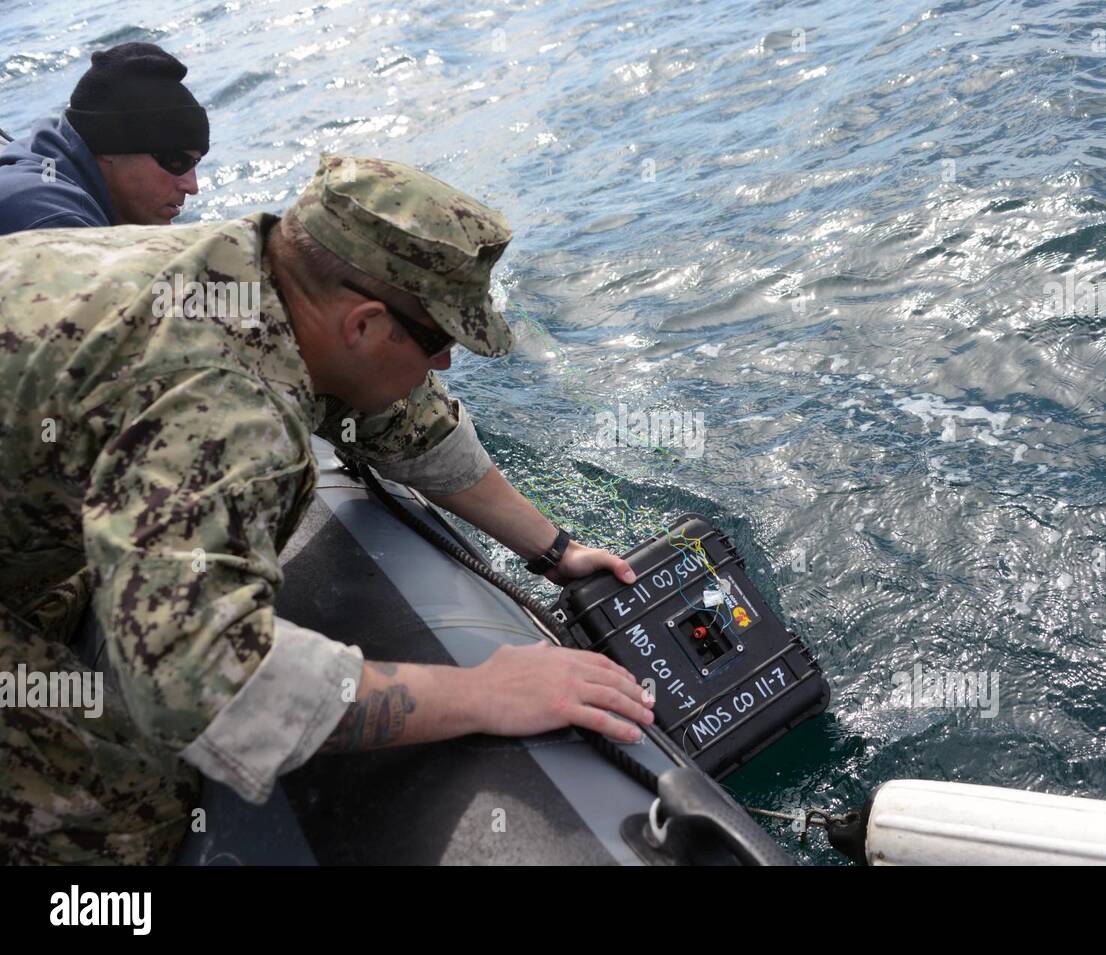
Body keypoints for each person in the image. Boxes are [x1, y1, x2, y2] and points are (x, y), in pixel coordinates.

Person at [0, 153, 653, 864]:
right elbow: (208, 685)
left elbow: (405, 424)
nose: (443, 367)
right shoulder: (229, 404)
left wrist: (555, 550)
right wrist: (484, 692)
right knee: (121, 801)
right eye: (437, 341)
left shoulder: (248, 267)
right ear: (366, 325)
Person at [0, 41, 207, 235]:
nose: (192, 186)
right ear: (112, 149)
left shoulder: (50, 156)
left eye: (195, 163)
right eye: (176, 162)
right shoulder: (52, 221)